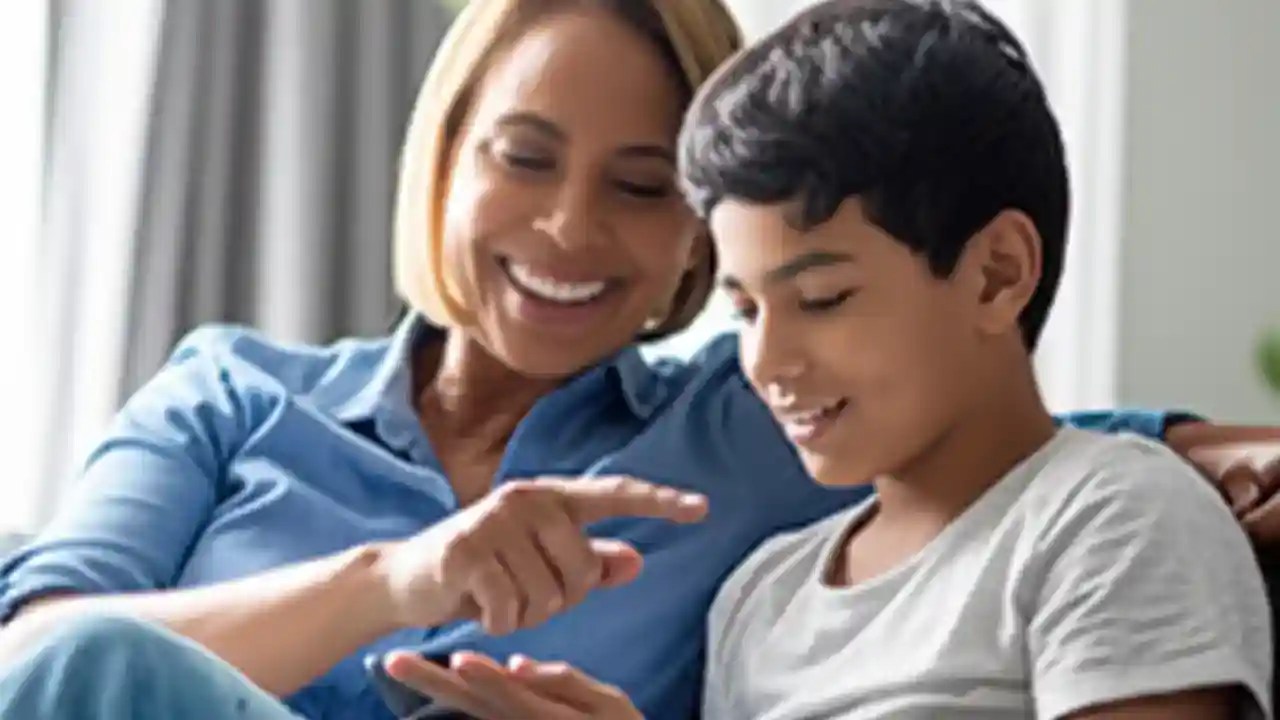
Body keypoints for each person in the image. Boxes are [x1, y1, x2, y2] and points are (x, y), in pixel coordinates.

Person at [0, 1, 1274, 719]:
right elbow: (33, 670)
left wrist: (1196, 447)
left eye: (639, 184)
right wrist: (394, 580)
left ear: (686, 243)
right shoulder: (232, 395)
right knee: (90, 668)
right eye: (523, 156)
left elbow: (979, 424)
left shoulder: (743, 439)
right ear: (442, 156)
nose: (568, 229)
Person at [381, 1, 1275, 718]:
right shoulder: (761, 600)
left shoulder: (1110, 519)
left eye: (822, 301)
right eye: (743, 308)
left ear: (997, 275)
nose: (767, 361)